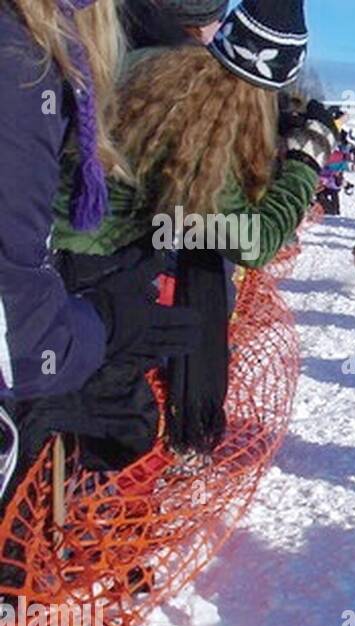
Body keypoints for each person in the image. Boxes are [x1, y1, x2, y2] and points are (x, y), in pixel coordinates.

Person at [49, 0, 332, 462]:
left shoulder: (154, 65)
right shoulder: (207, 120)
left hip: (53, 246)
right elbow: (251, 241)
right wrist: (304, 164)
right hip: (89, 269)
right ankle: (101, 494)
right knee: (124, 417)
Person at [1, 0, 199, 498]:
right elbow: (21, 336)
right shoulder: (22, 65)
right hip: (73, 309)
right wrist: (108, 321)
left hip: (71, 292)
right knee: (112, 422)